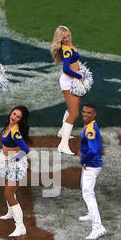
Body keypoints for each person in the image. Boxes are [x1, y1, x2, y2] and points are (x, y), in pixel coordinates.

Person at [0, 105, 32, 238]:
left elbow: (25, 150)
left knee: (8, 193)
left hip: (14, 164)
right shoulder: (8, 125)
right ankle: (10, 213)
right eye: (14, 114)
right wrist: (1, 152)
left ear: (20, 120)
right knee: (8, 190)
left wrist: (14, 160)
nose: (14, 117)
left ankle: (21, 226)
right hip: (6, 160)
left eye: (18, 117)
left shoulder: (15, 131)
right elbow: (6, 143)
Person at [51, 25, 91, 155]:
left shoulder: (70, 45)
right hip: (69, 82)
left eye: (68, 35)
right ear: (60, 39)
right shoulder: (66, 50)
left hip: (73, 80)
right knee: (74, 113)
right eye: (64, 37)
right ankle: (63, 144)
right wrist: (80, 77)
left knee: (71, 109)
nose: (67, 38)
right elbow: (66, 69)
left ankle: (63, 132)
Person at [78, 103, 105, 240]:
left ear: (94, 114)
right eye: (83, 112)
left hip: (91, 165)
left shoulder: (90, 129)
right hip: (91, 163)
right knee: (84, 187)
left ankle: (98, 227)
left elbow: (95, 150)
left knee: (88, 194)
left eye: (88, 113)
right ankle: (90, 213)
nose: (85, 114)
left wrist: (83, 160)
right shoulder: (92, 125)